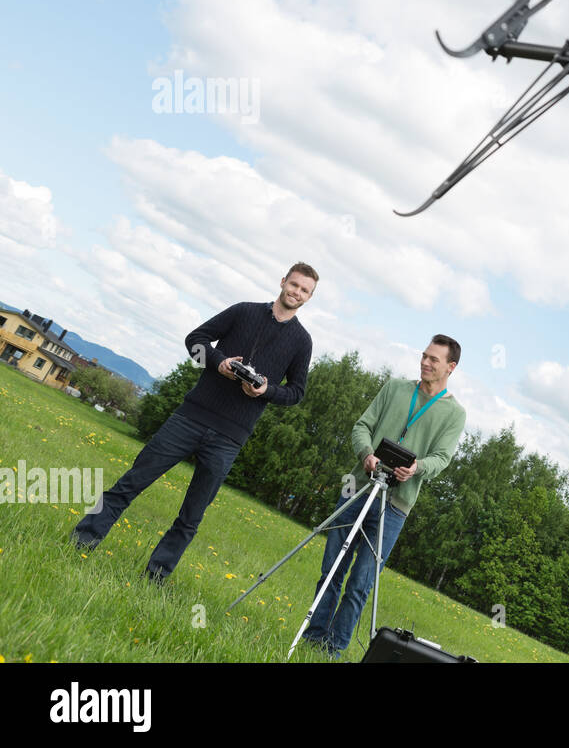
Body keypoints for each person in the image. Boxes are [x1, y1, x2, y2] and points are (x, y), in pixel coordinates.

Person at [72, 263, 318, 583]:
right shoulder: (243, 311)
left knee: (191, 517)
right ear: (283, 281)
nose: (296, 293)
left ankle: (155, 578)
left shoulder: (302, 341)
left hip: (230, 438)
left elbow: (296, 393)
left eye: (304, 291)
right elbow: (195, 341)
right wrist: (219, 363)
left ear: (308, 298)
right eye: (294, 285)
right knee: (131, 482)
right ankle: (81, 544)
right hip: (191, 417)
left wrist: (266, 390)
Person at [302, 334, 466, 658]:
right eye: (424, 355)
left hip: (396, 505)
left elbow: (442, 458)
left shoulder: (454, 413)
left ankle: (333, 650)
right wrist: (367, 453)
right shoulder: (395, 387)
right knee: (332, 569)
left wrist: (417, 467)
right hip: (358, 486)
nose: (425, 362)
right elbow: (361, 426)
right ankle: (313, 639)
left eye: (433, 359)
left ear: (451, 367)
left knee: (360, 584)